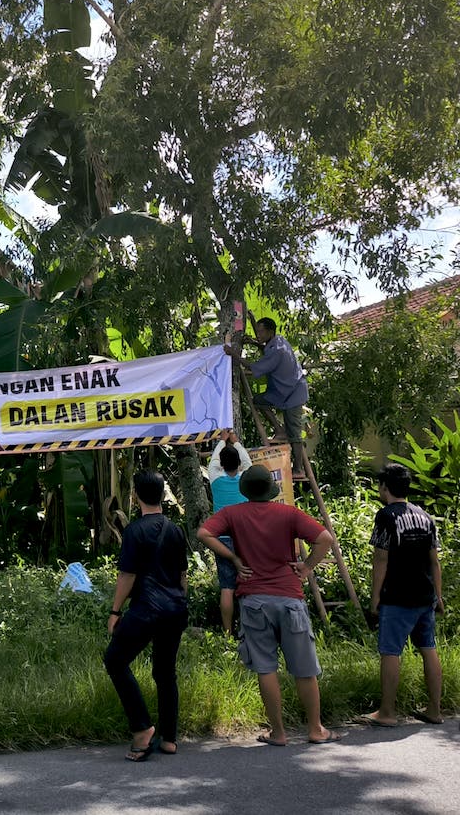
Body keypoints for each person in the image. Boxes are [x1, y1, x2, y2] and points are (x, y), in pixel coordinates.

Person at [197, 464, 338, 746]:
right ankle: (315, 729)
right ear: (270, 490)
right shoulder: (288, 513)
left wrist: (235, 560)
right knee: (304, 668)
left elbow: (204, 534)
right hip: (289, 598)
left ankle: (279, 733)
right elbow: (325, 539)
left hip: (255, 600)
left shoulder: (232, 514)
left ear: (245, 490)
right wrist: (307, 567)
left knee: (266, 668)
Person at [103, 470, 189, 762]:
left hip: (146, 610)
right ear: (163, 494)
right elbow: (182, 575)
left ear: (135, 495)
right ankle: (169, 739)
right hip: (175, 609)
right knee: (165, 671)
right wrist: (179, 601)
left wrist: (115, 611)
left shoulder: (134, 531)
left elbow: (127, 575)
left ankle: (142, 729)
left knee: (114, 660)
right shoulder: (175, 530)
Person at [357, 464, 446, 727]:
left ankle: (387, 712)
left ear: (384, 487)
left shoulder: (386, 516)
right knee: (428, 649)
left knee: (390, 651)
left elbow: (381, 558)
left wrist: (375, 598)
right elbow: (435, 561)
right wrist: (438, 596)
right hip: (424, 595)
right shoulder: (425, 516)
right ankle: (434, 709)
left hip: (397, 596)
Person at [223, 318, 308, 473]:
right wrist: (255, 343)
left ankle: (298, 469)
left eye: (261, 331)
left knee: (294, 434)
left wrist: (233, 354)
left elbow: (254, 366)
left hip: (293, 393)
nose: (259, 334)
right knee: (259, 401)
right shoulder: (279, 341)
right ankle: (279, 429)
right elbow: (266, 348)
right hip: (282, 391)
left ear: (270, 331)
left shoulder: (277, 350)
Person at [208, 429, 252, 634]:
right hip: (245, 538)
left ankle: (227, 632)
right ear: (239, 464)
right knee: (247, 584)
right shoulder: (246, 478)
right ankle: (248, 629)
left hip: (222, 539)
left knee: (227, 586)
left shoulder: (215, 478)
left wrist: (222, 441)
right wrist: (235, 442)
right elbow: (247, 460)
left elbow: (214, 460)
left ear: (223, 465)